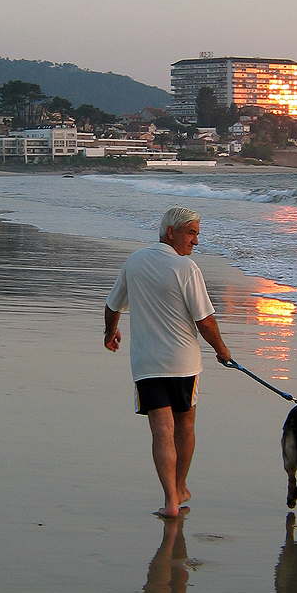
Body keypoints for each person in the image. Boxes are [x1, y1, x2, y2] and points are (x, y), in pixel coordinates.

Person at [104, 206, 232, 518]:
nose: (196, 241)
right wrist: (222, 350)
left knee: (162, 431)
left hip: (146, 363)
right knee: (184, 425)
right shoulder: (186, 268)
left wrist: (110, 333)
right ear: (170, 232)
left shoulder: (134, 261)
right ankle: (181, 485)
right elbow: (205, 320)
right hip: (183, 363)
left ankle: (172, 501)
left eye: (197, 234)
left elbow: (112, 305)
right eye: (191, 233)